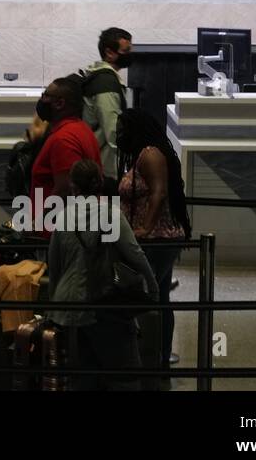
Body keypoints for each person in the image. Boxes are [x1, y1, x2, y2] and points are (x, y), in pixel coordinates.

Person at [47, 158, 158, 390]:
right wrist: (152, 285)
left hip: (68, 308)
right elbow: (135, 254)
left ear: (73, 187)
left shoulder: (63, 216)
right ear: (99, 183)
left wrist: (53, 305)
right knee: (123, 372)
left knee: (82, 375)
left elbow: (54, 264)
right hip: (102, 302)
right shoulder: (111, 215)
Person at [115, 108, 190, 374]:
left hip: (158, 239)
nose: (118, 133)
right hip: (158, 238)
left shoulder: (150, 154)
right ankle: (159, 354)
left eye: (122, 128)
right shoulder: (141, 155)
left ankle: (152, 354)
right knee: (159, 298)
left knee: (149, 296)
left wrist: (145, 228)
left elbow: (159, 192)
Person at [29, 75, 101, 234]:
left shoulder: (63, 139)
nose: (42, 100)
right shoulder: (82, 129)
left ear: (60, 103)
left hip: (56, 234)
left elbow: (65, 190)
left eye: (46, 96)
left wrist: (38, 224)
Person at [83, 27, 133, 179]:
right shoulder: (106, 85)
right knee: (103, 203)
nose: (130, 54)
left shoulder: (101, 76)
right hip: (102, 166)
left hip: (96, 161)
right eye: (126, 51)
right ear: (110, 53)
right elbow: (113, 132)